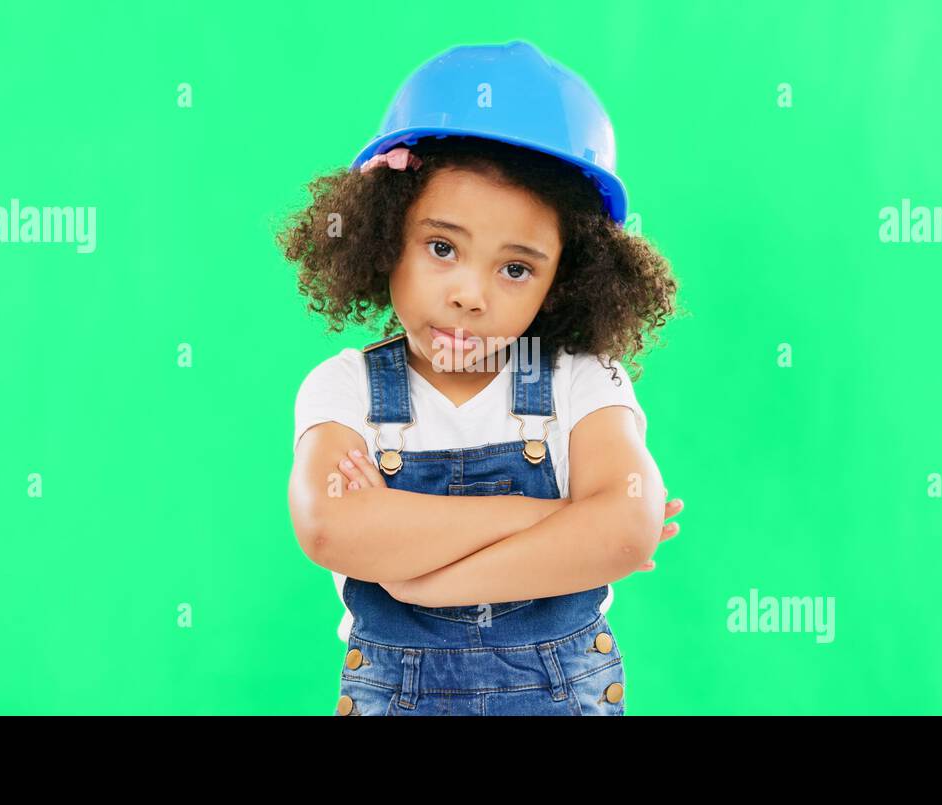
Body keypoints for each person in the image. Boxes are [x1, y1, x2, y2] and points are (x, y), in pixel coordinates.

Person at [281, 40, 683, 715]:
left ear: (565, 281)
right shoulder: (343, 387)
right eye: (442, 248)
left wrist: (415, 579)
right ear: (385, 236)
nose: (471, 294)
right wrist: (558, 518)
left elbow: (627, 526)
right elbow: (329, 526)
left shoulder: (581, 380)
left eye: (516, 267)